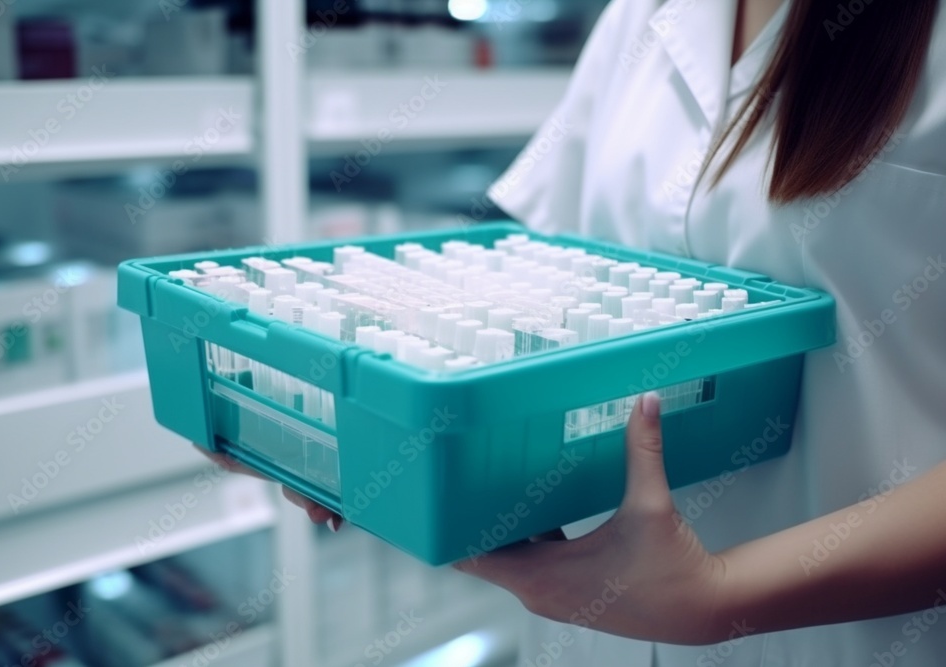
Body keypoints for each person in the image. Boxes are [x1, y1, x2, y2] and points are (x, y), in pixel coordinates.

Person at [212, 0, 946, 664]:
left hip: (845, 639)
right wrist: (344, 414)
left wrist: (716, 596)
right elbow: (536, 276)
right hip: (590, 630)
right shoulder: (642, 15)